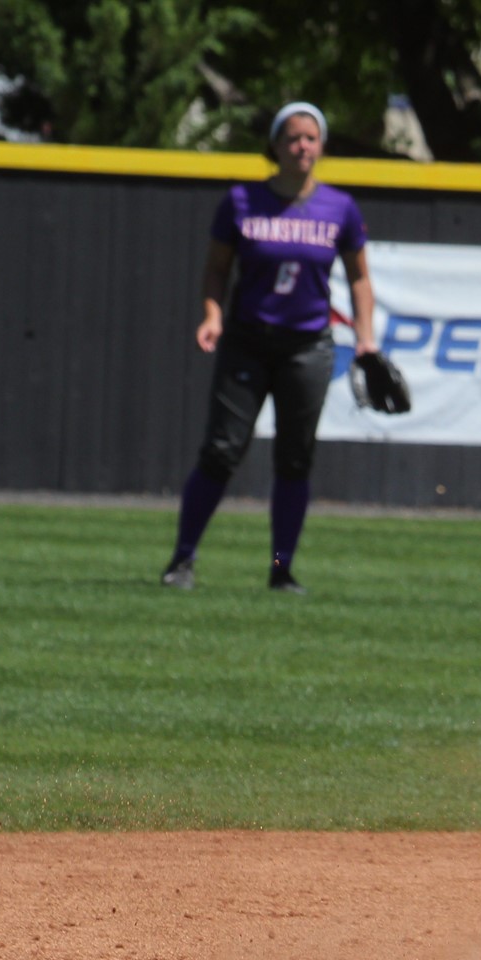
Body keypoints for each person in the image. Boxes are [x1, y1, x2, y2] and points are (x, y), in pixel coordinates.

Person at [160, 101, 377, 594]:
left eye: (311, 137)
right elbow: (217, 268)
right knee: (221, 452)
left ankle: (281, 568)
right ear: (275, 145)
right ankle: (182, 559)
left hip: (307, 347)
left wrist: (365, 338)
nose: (302, 146)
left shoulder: (339, 207)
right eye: (293, 137)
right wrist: (212, 315)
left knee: (294, 459)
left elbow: (360, 277)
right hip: (248, 341)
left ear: (321, 146)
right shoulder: (240, 202)